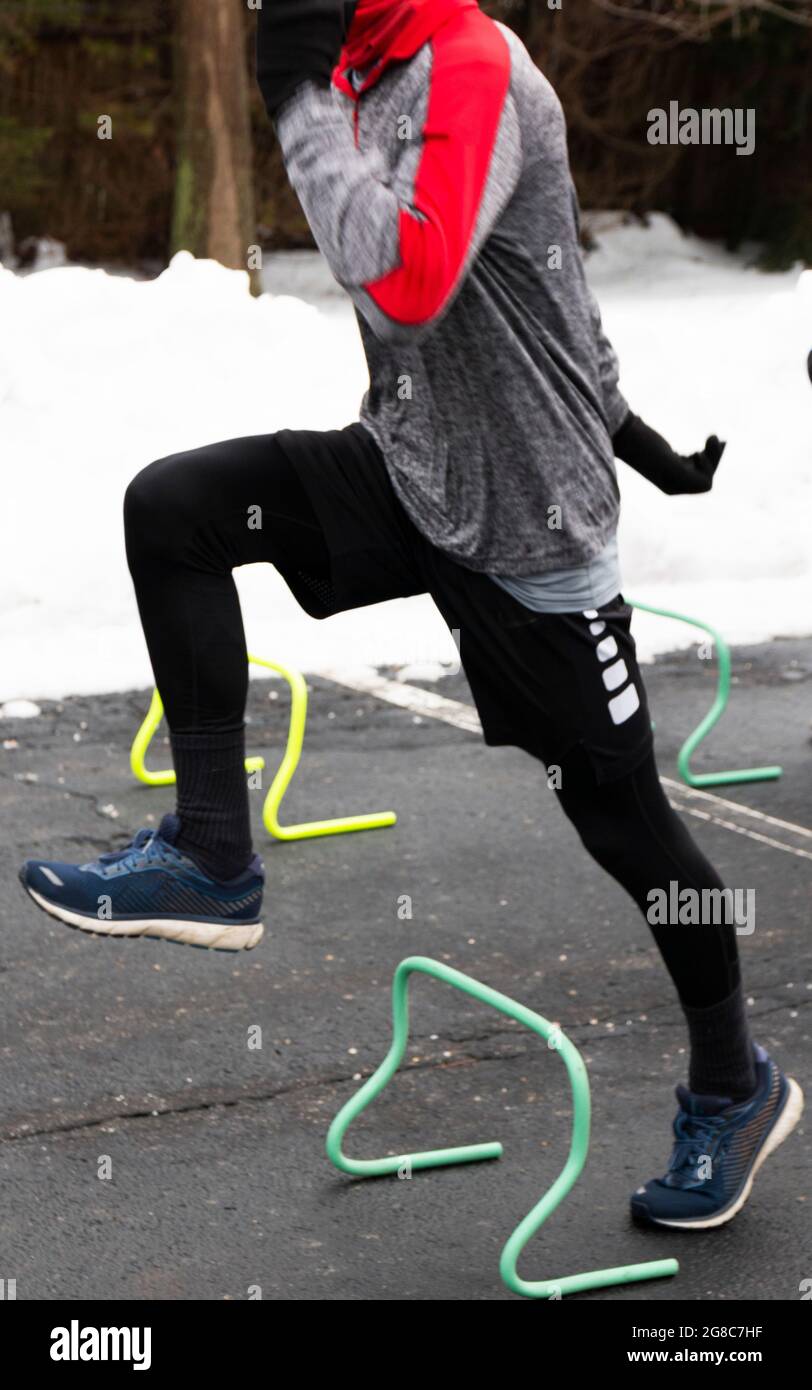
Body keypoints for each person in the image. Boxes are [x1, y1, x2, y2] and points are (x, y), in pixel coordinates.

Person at [20, 0, 801, 1230]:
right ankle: (214, 854)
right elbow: (546, 283)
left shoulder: (473, 64)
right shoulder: (368, 68)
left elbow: (416, 276)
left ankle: (731, 1082)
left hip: (530, 536)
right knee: (174, 512)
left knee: (631, 834)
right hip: (413, 475)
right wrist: (637, 434)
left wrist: (295, 107)